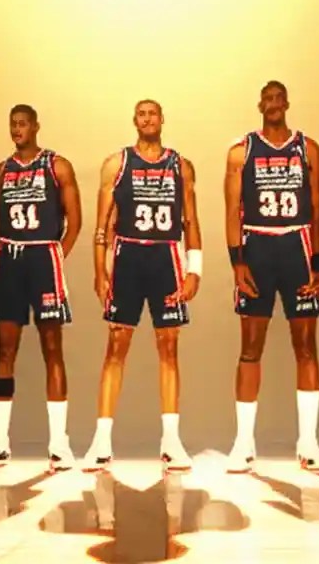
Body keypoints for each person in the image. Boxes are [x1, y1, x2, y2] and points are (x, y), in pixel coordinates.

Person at [79, 100, 203, 472]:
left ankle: (171, 440)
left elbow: (191, 220)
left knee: (169, 346)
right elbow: (101, 225)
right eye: (141, 114)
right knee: (116, 343)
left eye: (153, 113)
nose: (148, 119)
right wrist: (100, 269)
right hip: (128, 257)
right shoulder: (117, 164)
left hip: (166, 257)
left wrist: (194, 269)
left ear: (163, 119)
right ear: (135, 121)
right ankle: (101, 441)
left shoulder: (180, 165)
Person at [222, 81, 319, 473]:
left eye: (277, 98)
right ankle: (244, 442)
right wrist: (237, 262)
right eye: (266, 99)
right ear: (259, 105)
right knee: (251, 346)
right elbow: (232, 208)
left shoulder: (308, 148)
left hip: (298, 246)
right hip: (259, 246)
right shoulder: (242, 150)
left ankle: (309, 442)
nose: (272, 104)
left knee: (306, 345)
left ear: (287, 103)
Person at [0, 104, 82, 473]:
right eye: (13, 125)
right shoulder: (0, 171)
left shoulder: (57, 165)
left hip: (43, 258)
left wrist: (56, 256)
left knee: (53, 348)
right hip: (10, 259)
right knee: (5, 349)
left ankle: (59, 443)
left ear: (36, 126)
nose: (17, 129)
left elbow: (76, 219)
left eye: (23, 124)